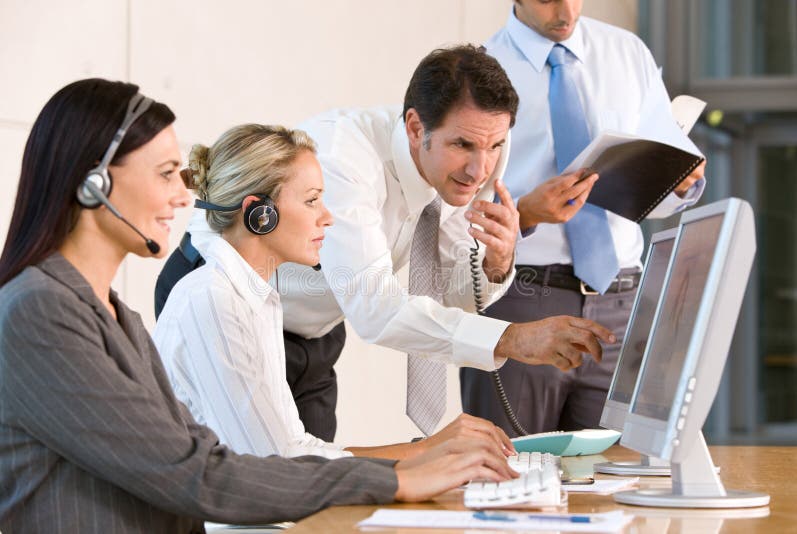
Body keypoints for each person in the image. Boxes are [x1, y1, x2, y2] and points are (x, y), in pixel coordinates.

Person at [0, 78, 517, 533]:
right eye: (163, 174)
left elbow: (214, 461)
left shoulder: (118, 317)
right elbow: (194, 473)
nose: (184, 200)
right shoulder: (39, 312)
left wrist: (413, 466)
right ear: (96, 184)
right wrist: (405, 471)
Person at [157, 44, 616, 439]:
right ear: (416, 128)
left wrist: (496, 265)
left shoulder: (468, 165)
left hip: (315, 331)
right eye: (464, 146)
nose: (481, 170)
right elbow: (376, 309)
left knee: (312, 489)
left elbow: (450, 294)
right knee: (249, 482)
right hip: (232, 302)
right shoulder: (342, 159)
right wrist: (513, 338)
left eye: (495, 146)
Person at [154, 123, 517, 461]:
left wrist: (429, 454)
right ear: (259, 215)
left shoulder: (256, 299)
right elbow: (280, 463)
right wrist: (429, 452)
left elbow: (298, 448)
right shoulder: (214, 302)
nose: (328, 217)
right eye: (312, 200)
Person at [461, 0, 707, 435]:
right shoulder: (478, 70)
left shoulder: (627, 53)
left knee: (619, 479)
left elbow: (657, 185)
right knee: (512, 471)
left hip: (623, 302)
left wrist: (679, 182)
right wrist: (528, 213)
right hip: (522, 300)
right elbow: (454, 209)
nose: (565, 11)